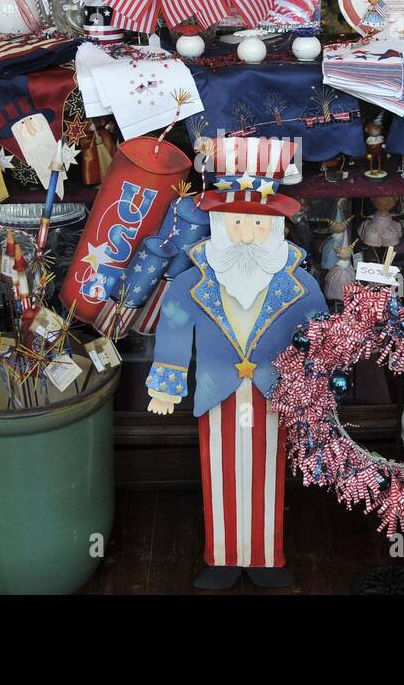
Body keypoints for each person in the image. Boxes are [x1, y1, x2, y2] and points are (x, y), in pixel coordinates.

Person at [146, 136, 327, 590]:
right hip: (216, 389)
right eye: (237, 223)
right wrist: (166, 385)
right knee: (219, 470)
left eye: (258, 224)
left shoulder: (299, 283)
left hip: (275, 390)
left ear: (276, 230)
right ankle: (223, 554)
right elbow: (172, 326)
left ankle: (267, 556)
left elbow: (319, 334)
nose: (247, 233)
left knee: (268, 473)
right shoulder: (191, 282)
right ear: (220, 226)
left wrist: (318, 384)